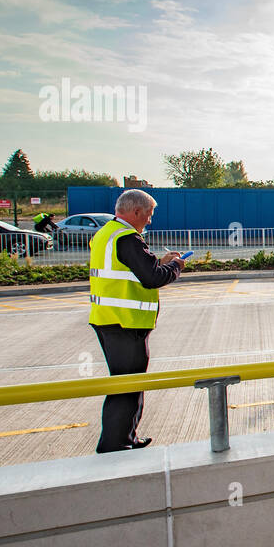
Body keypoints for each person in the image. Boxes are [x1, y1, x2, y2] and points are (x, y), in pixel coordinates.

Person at [89, 189, 185, 453]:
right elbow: (152, 278)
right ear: (136, 212)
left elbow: (133, 269)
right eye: (149, 214)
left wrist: (159, 263)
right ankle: (116, 444)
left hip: (108, 320)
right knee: (128, 386)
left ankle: (124, 438)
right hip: (125, 323)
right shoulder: (127, 238)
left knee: (124, 383)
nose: (150, 220)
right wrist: (175, 266)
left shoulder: (106, 234)